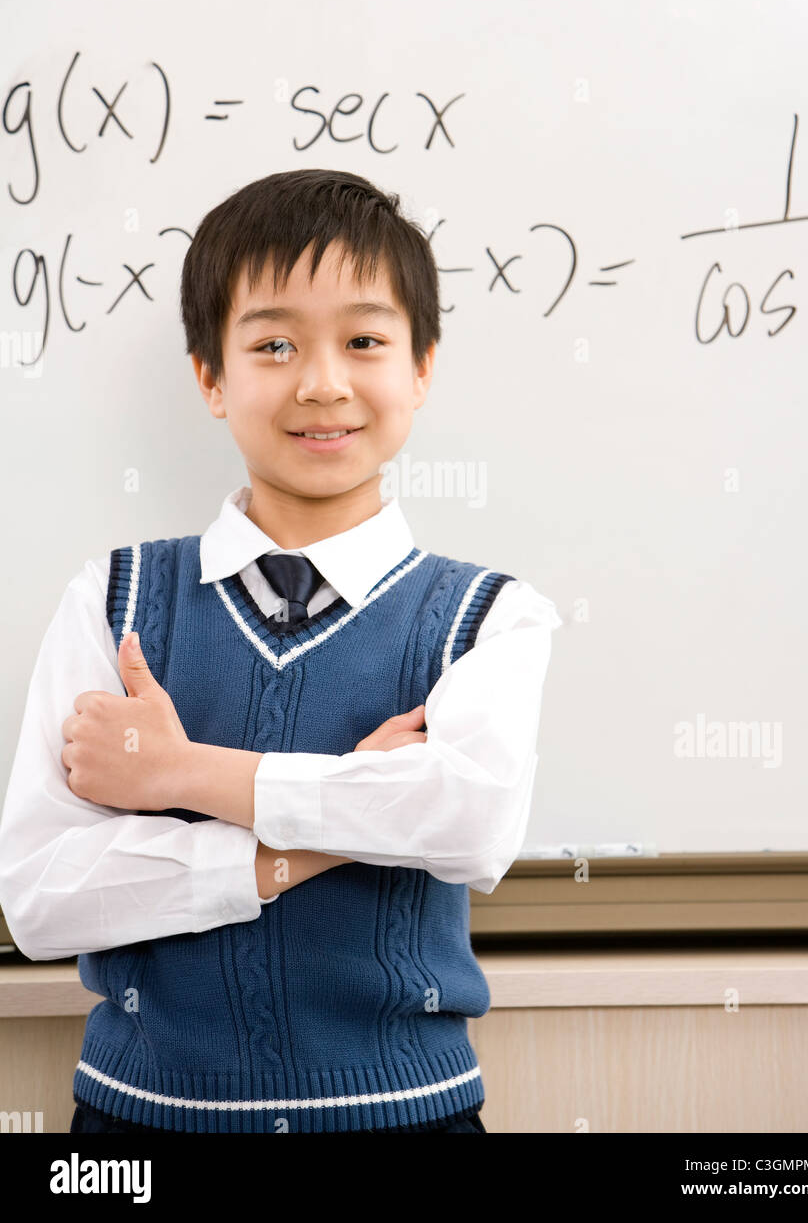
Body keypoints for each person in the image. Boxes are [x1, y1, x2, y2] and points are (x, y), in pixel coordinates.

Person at [0, 168, 561, 1133]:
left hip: (404, 1117)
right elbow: (45, 903)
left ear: (422, 366)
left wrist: (185, 773)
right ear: (210, 377)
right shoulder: (116, 599)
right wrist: (308, 838)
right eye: (273, 344)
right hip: (141, 1123)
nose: (323, 383)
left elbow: (468, 825)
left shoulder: (492, 616)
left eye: (365, 341)